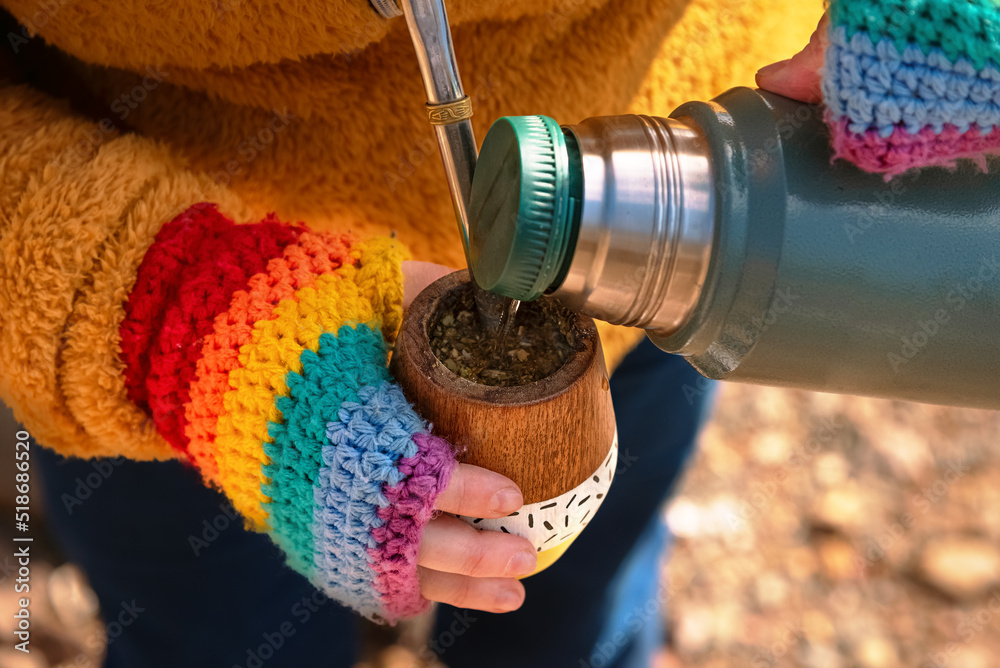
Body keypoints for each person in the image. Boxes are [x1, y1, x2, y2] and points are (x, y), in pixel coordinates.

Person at [3, 0, 993, 664]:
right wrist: (165, 305)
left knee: (573, 617)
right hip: (189, 378)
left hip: (687, 245)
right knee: (215, 634)